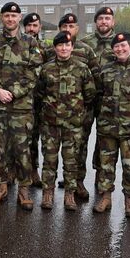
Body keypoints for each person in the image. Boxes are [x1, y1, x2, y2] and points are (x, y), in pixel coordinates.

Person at [0, 2, 44, 210]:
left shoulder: (30, 43)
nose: (10, 19)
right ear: (2, 18)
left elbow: (34, 73)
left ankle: (24, 190)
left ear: (20, 18)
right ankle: (0, 187)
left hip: (21, 107)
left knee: (22, 149)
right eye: (7, 15)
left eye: (14, 16)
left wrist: (14, 92)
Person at [93, 33, 130, 218]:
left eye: (123, 45)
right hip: (108, 127)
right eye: (116, 46)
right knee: (106, 165)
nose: (120, 49)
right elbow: (98, 95)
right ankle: (105, 197)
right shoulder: (106, 70)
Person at [36, 31, 96, 210]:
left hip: (73, 124)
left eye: (67, 45)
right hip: (50, 124)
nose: (63, 48)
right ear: (55, 48)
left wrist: (79, 112)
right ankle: (48, 193)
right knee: (49, 160)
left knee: (72, 161)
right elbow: (39, 93)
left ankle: (70, 195)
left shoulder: (82, 68)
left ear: (72, 47)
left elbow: (90, 94)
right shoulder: (46, 69)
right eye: (60, 45)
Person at [52, 13, 100, 199]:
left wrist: (86, 106)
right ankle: (64, 180)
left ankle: (78, 182)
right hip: (55, 111)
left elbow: (94, 79)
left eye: (71, 27)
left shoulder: (86, 51)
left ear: (77, 29)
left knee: (79, 147)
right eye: (64, 27)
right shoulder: (53, 49)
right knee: (55, 150)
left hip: (80, 111)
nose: (68, 30)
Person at [81, 6, 117, 187]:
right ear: (95, 22)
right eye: (101, 18)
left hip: (108, 101)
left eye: (107, 18)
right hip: (86, 99)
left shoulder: (120, 44)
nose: (104, 21)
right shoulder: (85, 43)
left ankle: (100, 177)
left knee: (104, 140)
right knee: (80, 138)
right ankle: (76, 177)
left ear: (113, 22)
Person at [23, 12, 44, 188]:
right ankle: (14, 171)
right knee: (19, 138)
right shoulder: (19, 45)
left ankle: (34, 170)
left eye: (35, 25)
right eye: (29, 25)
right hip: (21, 100)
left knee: (35, 137)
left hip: (39, 100)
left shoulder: (47, 48)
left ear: (40, 27)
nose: (31, 28)